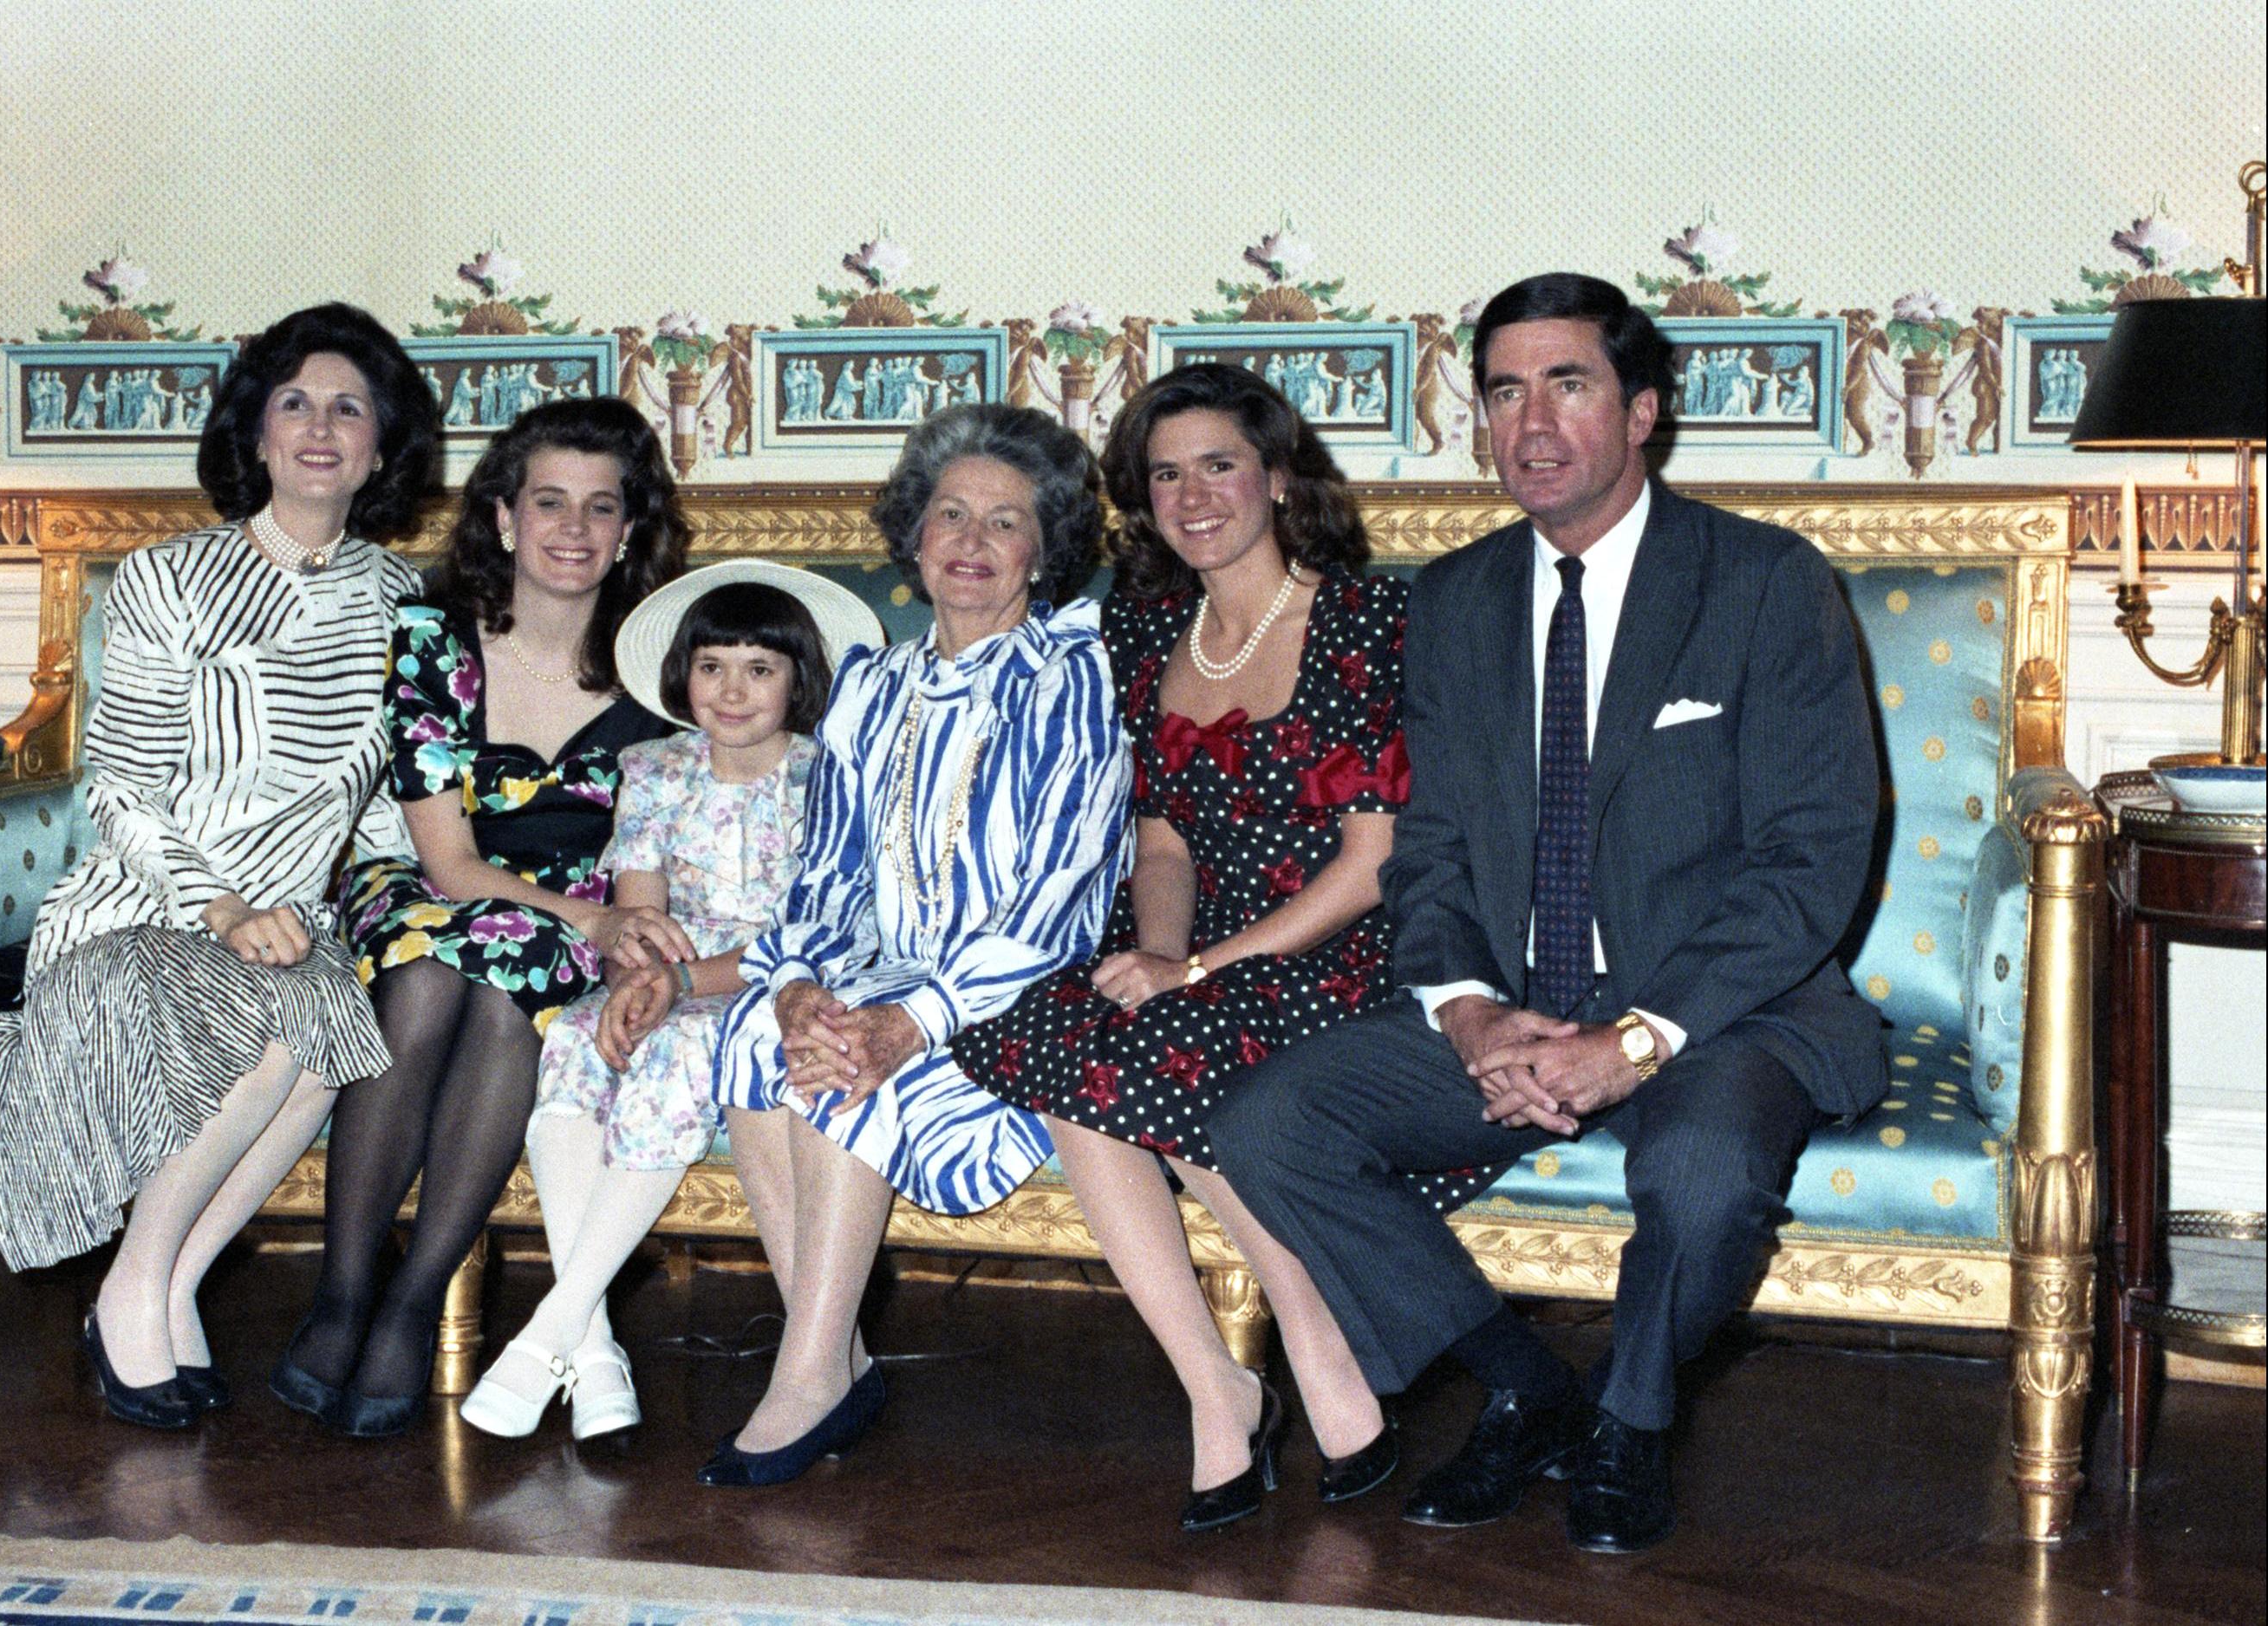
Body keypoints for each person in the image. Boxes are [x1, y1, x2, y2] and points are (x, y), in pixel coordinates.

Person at [1210, 273, 1880, 1553]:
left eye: (1567, 384)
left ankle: (1627, 1419)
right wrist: (1466, 1013)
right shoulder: (1452, 600)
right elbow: (1429, 850)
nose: (1531, 423)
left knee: (1701, 1174)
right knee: (1271, 1123)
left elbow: (1809, 861)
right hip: (1515, 1001)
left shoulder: (1761, 581)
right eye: (1504, 391)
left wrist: (1632, 1039)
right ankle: (1524, 1388)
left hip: (1717, 1011)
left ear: (1642, 412)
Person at [948, 363, 1490, 1530]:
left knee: (1154, 1050)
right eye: (1165, 475)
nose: (1193, 497)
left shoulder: (1364, 620)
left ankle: (1311, 1328)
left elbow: (1371, 865)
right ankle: (1214, 1385)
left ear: (1278, 477)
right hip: (1192, 938)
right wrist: (1158, 963)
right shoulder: (1145, 630)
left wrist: (1197, 973)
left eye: (1219, 466)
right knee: (1069, 1034)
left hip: (1338, 946)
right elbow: (1160, 840)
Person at [0, 302, 442, 1429]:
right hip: (144, 909)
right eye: (294, 403)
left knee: (327, 1035)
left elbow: (381, 805)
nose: (319, 428)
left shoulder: (403, 603)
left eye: (349, 408)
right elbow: (120, 786)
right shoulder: (168, 577)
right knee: (276, 1030)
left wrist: (406, 902)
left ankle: (163, 1284)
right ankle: (135, 1288)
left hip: (292, 921)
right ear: (256, 433)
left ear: (381, 447)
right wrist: (219, 905)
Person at [701, 403, 1131, 1486]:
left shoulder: (1070, 675)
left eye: (1005, 521)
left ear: (1044, 548)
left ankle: (805, 1376)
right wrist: (797, 984)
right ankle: (830, 1354)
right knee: (759, 1029)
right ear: (915, 533)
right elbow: (826, 867)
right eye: (950, 515)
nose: (971, 543)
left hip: (1020, 995)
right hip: (881, 975)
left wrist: (911, 1018)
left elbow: (1055, 901)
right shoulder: (872, 683)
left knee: (858, 1066)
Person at [277, 398, 689, 1437]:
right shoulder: (432, 639)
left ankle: (412, 1305)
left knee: (508, 1001)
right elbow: (448, 864)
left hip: (575, 919)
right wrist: (584, 920)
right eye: (548, 501)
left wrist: (607, 923)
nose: (573, 528)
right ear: (504, 518)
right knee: (425, 978)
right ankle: (343, 1289)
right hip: (436, 887)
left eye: (601, 507)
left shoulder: (660, 670)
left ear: (628, 530)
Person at [458, 560, 885, 1441]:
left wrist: (679, 985)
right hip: (668, 975)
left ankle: (547, 1332)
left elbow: (814, 933)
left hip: (773, 984)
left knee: (680, 1053)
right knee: (576, 1038)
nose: (732, 690)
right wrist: (632, 982)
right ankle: (595, 1352)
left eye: (759, 669)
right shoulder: (654, 767)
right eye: (711, 666)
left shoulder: (826, 778)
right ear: (681, 676)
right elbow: (640, 909)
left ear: (799, 679)